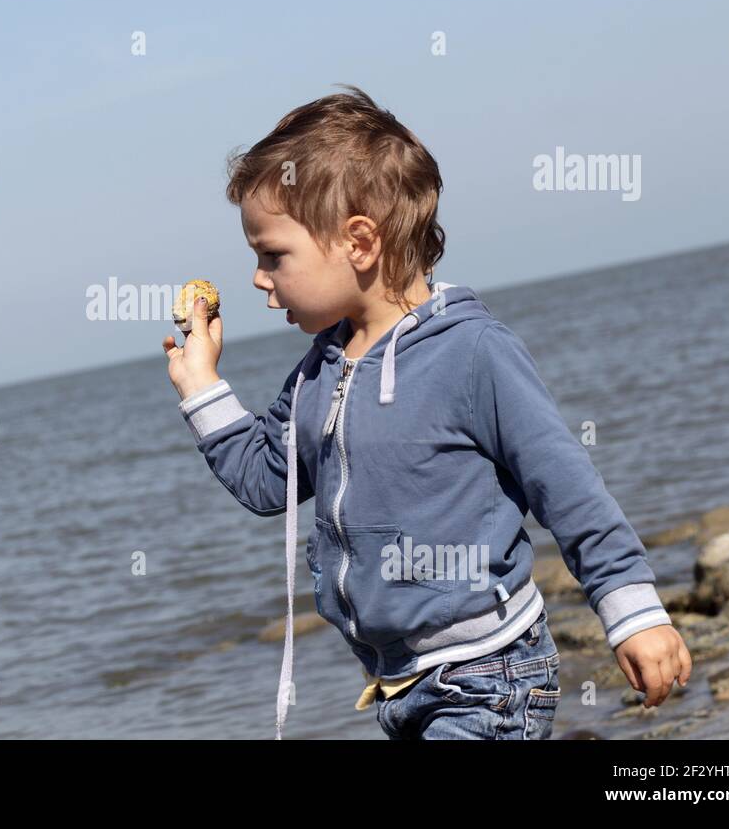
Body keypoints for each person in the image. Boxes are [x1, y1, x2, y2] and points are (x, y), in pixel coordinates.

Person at [161, 84, 691, 739]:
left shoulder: (470, 354)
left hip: (490, 675)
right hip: (397, 684)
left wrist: (634, 612)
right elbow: (266, 480)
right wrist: (202, 385)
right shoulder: (320, 372)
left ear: (359, 242)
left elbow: (567, 487)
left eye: (273, 255)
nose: (258, 277)